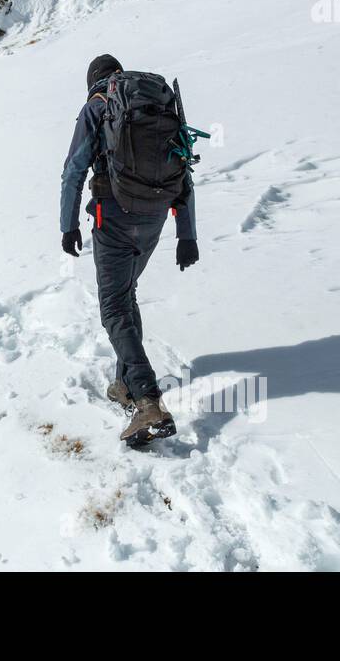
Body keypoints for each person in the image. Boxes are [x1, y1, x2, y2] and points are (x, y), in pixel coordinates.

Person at [59, 54, 199, 446]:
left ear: (93, 81)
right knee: (125, 293)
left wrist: (68, 225)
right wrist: (187, 234)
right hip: (155, 218)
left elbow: (74, 170)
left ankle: (147, 400)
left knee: (114, 307)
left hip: (114, 217)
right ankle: (124, 384)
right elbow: (183, 166)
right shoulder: (157, 105)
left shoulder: (97, 108)